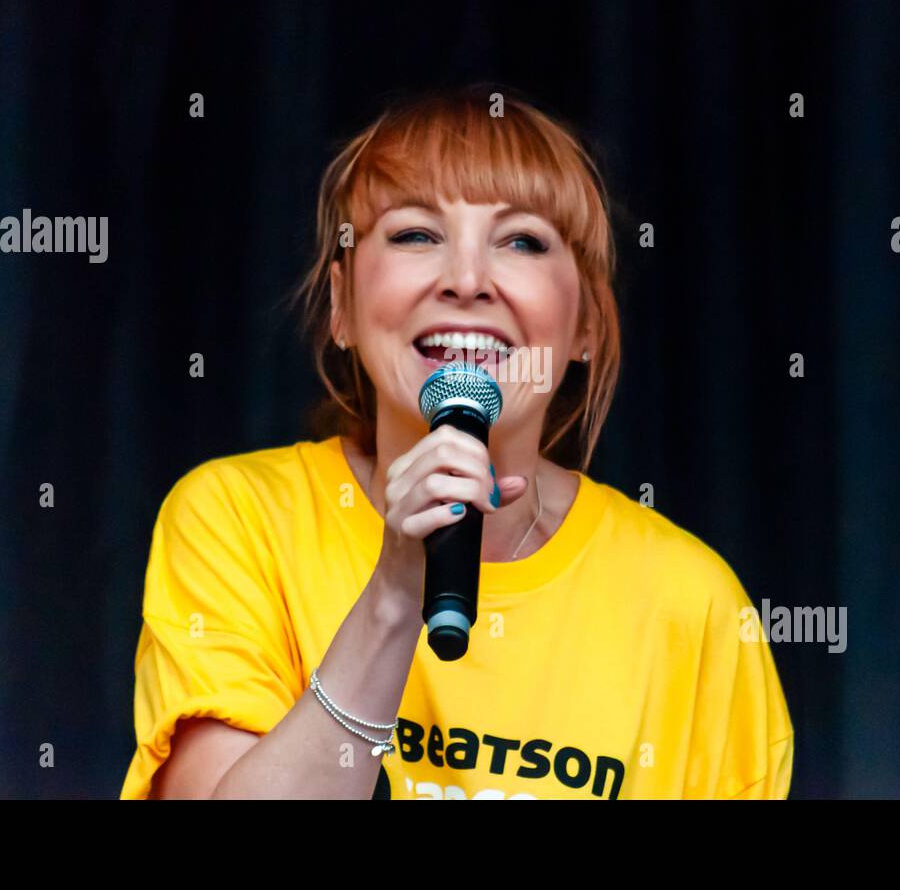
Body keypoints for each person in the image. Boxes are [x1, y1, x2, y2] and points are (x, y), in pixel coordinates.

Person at [119, 84, 793, 799]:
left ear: (589, 327)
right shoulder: (237, 522)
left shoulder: (693, 603)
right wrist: (396, 591)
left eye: (523, 240)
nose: (468, 280)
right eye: (416, 234)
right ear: (342, 304)